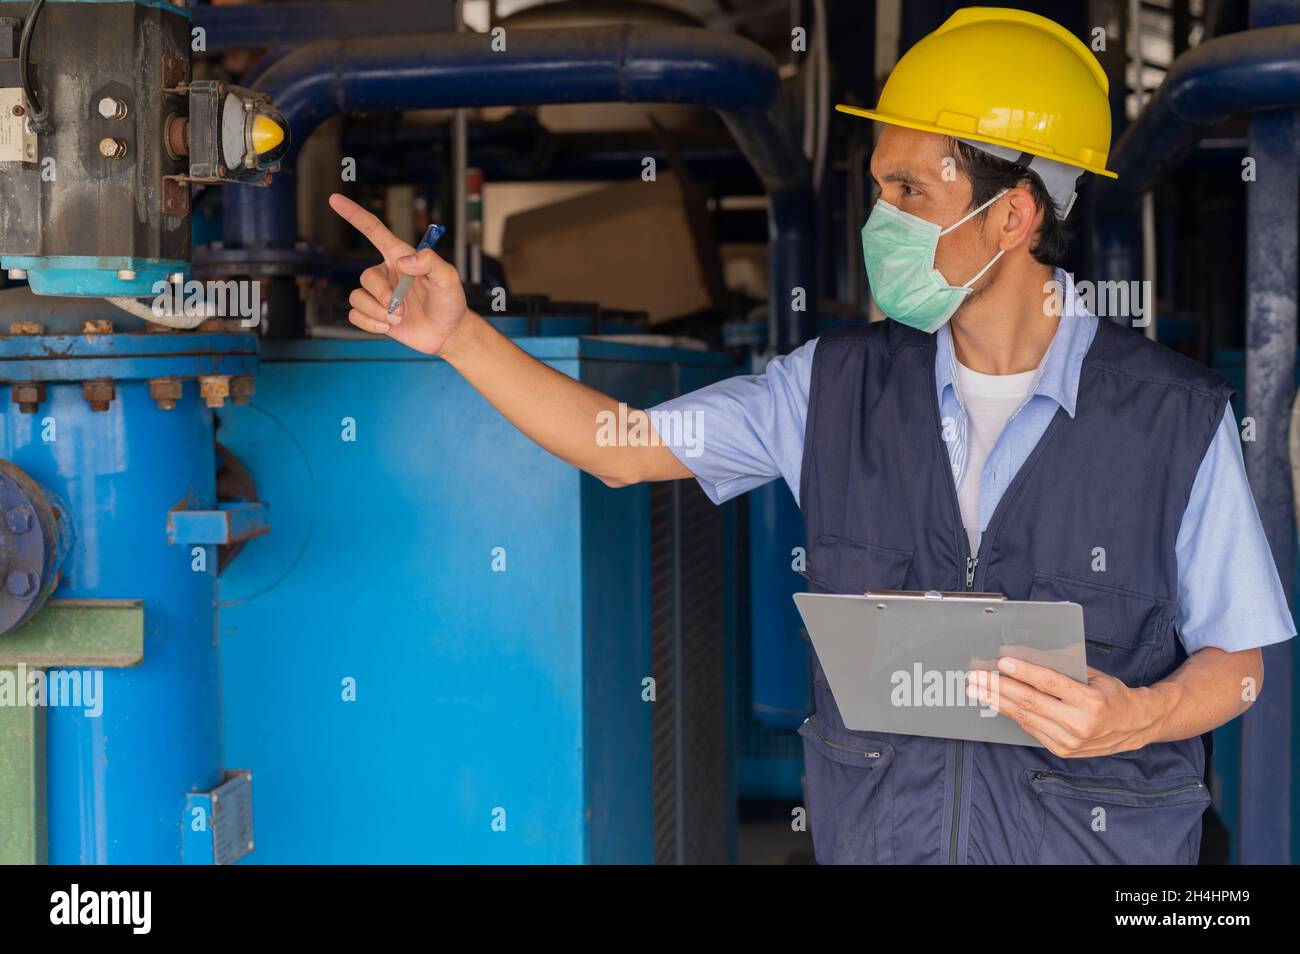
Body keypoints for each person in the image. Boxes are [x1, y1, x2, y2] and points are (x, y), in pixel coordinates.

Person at [330, 7, 1294, 865]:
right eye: (879, 189)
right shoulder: (830, 388)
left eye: (912, 192)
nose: (882, 220)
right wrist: (458, 336)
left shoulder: (1174, 416)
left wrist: (1135, 718)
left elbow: (1239, 667)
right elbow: (618, 448)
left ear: (1015, 213)